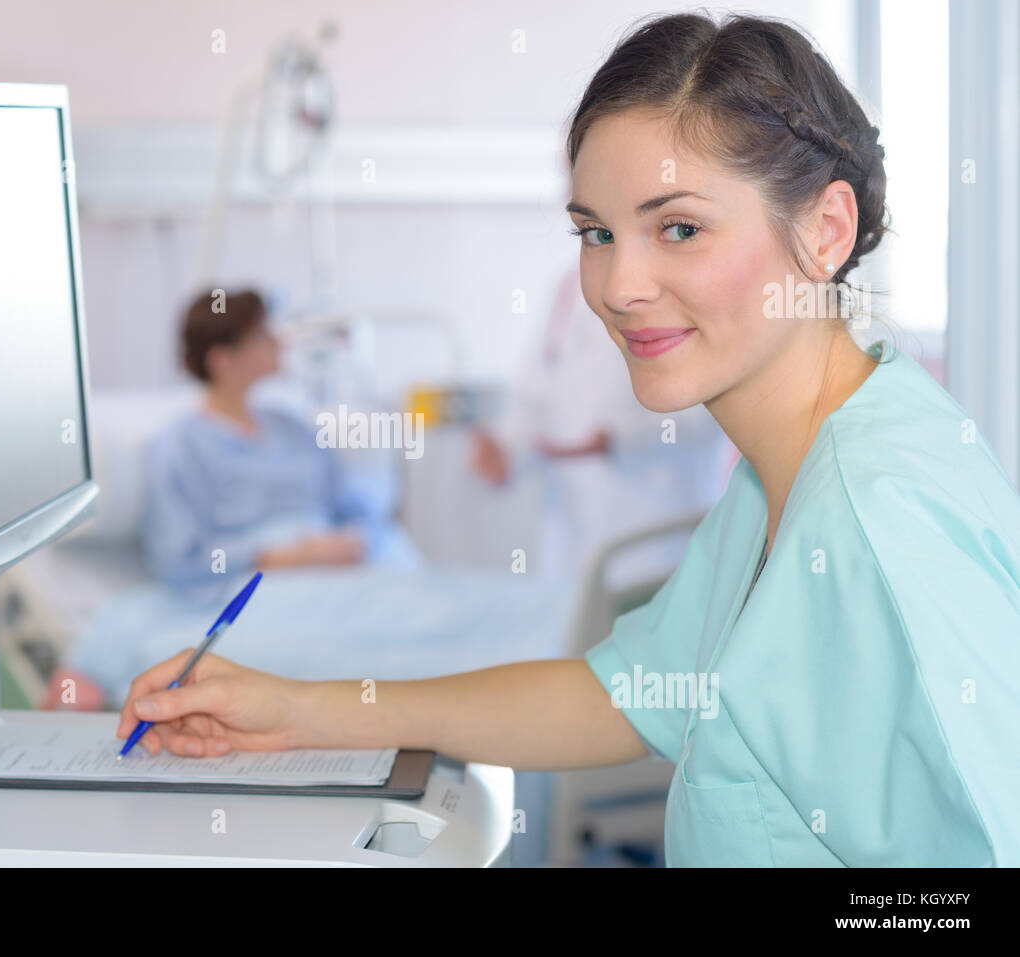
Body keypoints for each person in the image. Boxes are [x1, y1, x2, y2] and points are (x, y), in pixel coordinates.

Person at [111, 13, 1020, 865]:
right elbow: (622, 694)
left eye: (679, 228)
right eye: (595, 232)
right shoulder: (780, 482)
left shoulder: (882, 522)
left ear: (824, 232)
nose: (619, 284)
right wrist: (295, 710)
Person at [142, 288, 420, 588]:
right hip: (260, 586)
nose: (278, 342)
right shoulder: (182, 446)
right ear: (221, 359)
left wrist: (354, 540)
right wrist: (285, 556)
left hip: (344, 571)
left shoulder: (291, 427)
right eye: (261, 334)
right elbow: (178, 559)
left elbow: (353, 508)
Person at [471, 266, 730, 583]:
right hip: (573, 542)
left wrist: (619, 441)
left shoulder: (686, 286)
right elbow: (535, 397)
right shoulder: (569, 289)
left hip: (658, 541)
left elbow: (707, 416)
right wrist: (507, 450)